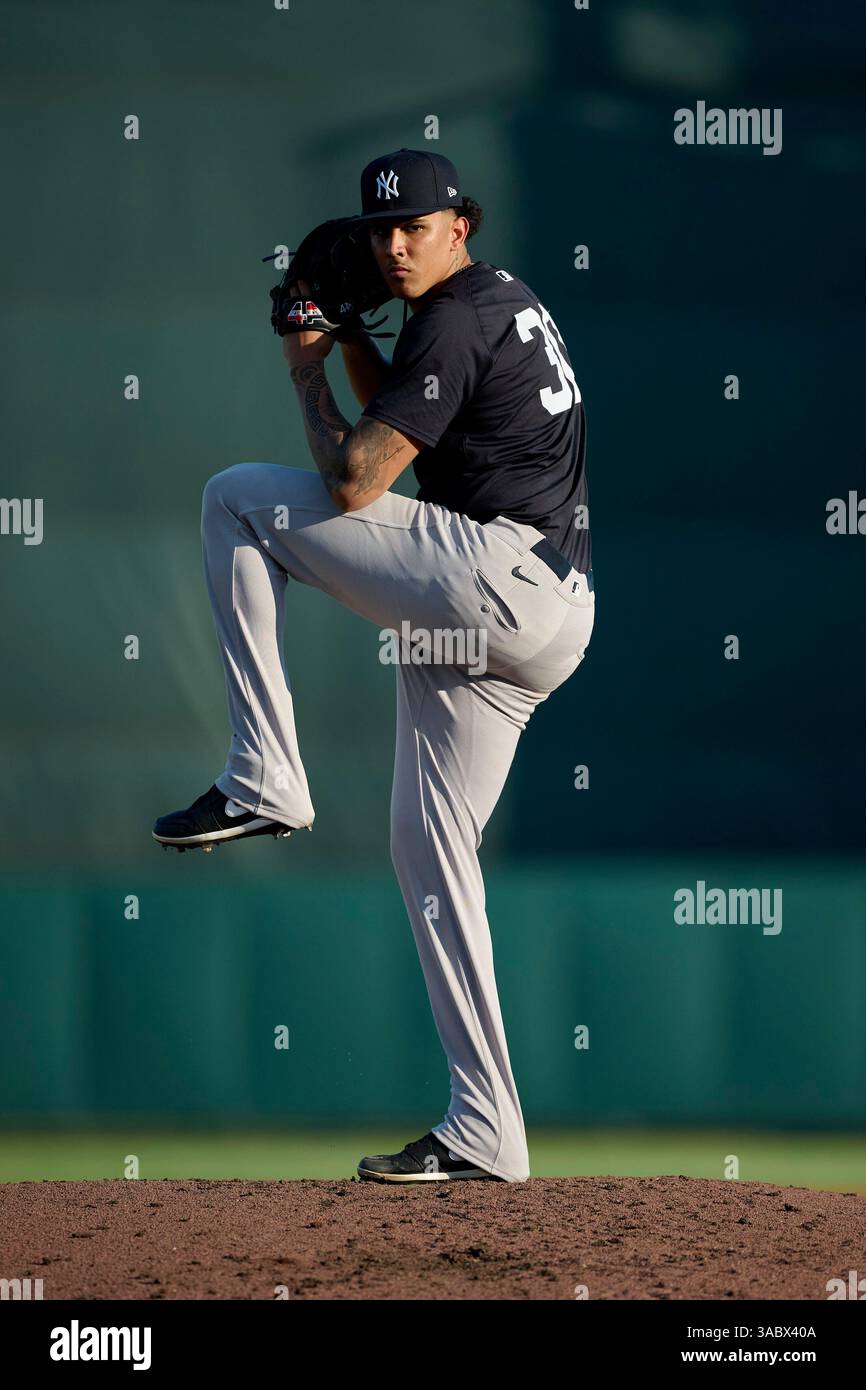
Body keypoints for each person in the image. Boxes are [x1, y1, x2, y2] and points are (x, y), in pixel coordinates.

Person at [152, 148, 594, 1184]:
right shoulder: (493, 304)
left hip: (491, 582)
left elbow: (354, 480)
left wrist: (304, 364)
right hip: (539, 615)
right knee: (429, 857)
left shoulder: (456, 313)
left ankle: (264, 771)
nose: (396, 242)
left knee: (233, 499)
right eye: (382, 226)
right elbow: (407, 433)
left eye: (418, 223)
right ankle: (486, 1128)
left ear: (460, 225)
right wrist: (347, 334)